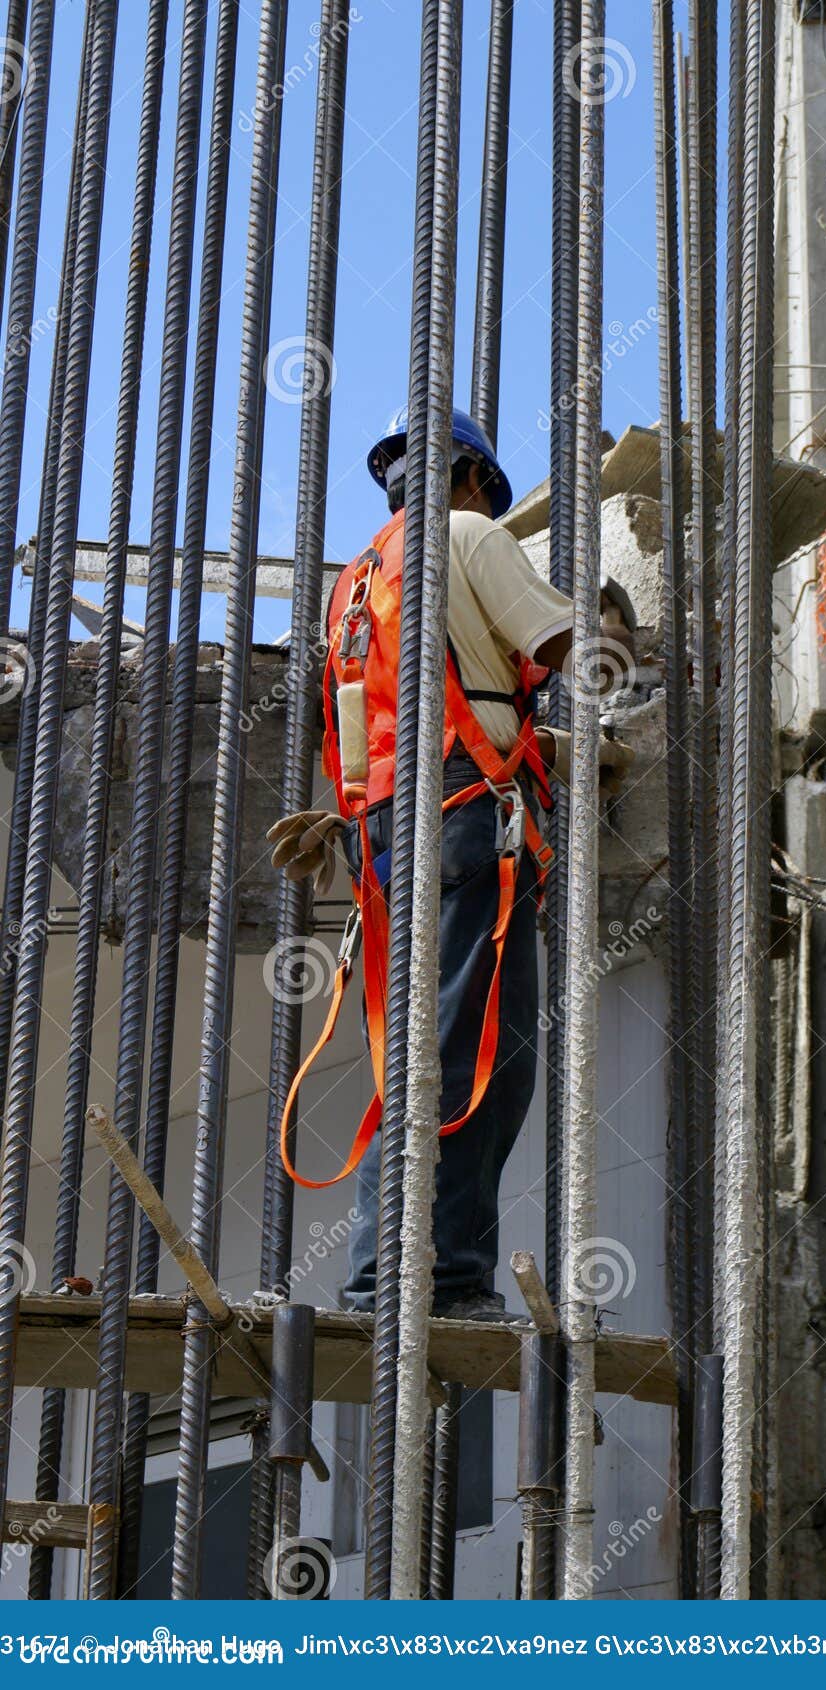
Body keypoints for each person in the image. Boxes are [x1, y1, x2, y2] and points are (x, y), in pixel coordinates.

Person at [269, 406, 634, 1321]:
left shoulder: (355, 584)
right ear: (472, 477)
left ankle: (379, 1277)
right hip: (468, 814)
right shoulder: (468, 532)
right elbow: (571, 655)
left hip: (387, 832)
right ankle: (441, 1280)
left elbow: (356, 733)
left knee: (420, 1055)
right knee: (483, 1055)